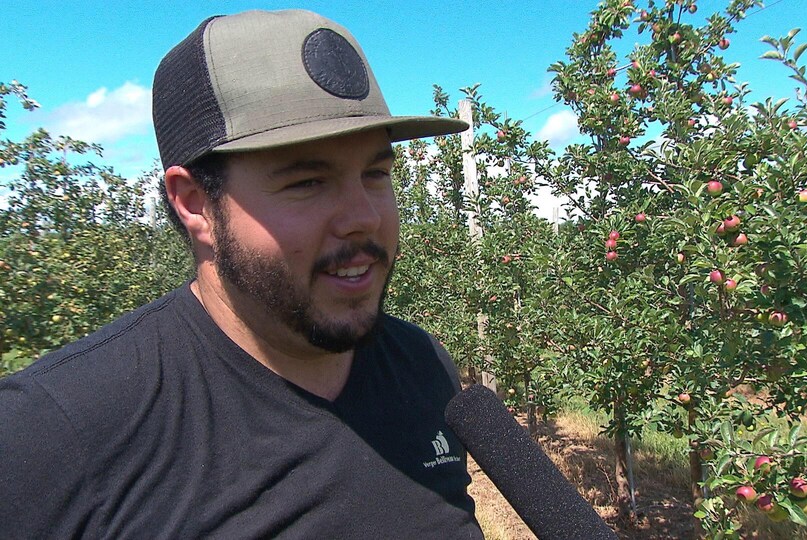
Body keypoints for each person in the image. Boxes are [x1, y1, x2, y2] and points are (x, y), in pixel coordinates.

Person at [0, 9, 484, 539]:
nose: (365, 217)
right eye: (307, 181)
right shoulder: (51, 432)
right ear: (195, 203)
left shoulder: (424, 366)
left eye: (376, 173)